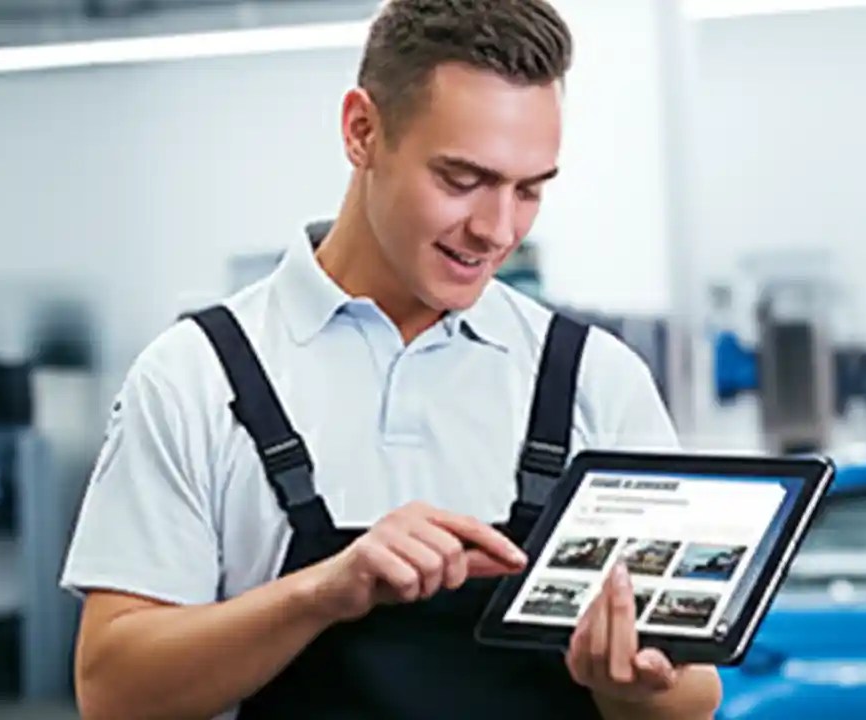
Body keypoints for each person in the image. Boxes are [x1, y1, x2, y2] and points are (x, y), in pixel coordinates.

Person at [60, 0, 723, 718]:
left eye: (529, 189)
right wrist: (321, 594)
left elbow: (693, 697)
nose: (497, 230)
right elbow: (113, 691)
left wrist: (629, 685)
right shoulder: (196, 379)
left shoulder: (597, 379)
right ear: (362, 131)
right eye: (461, 180)